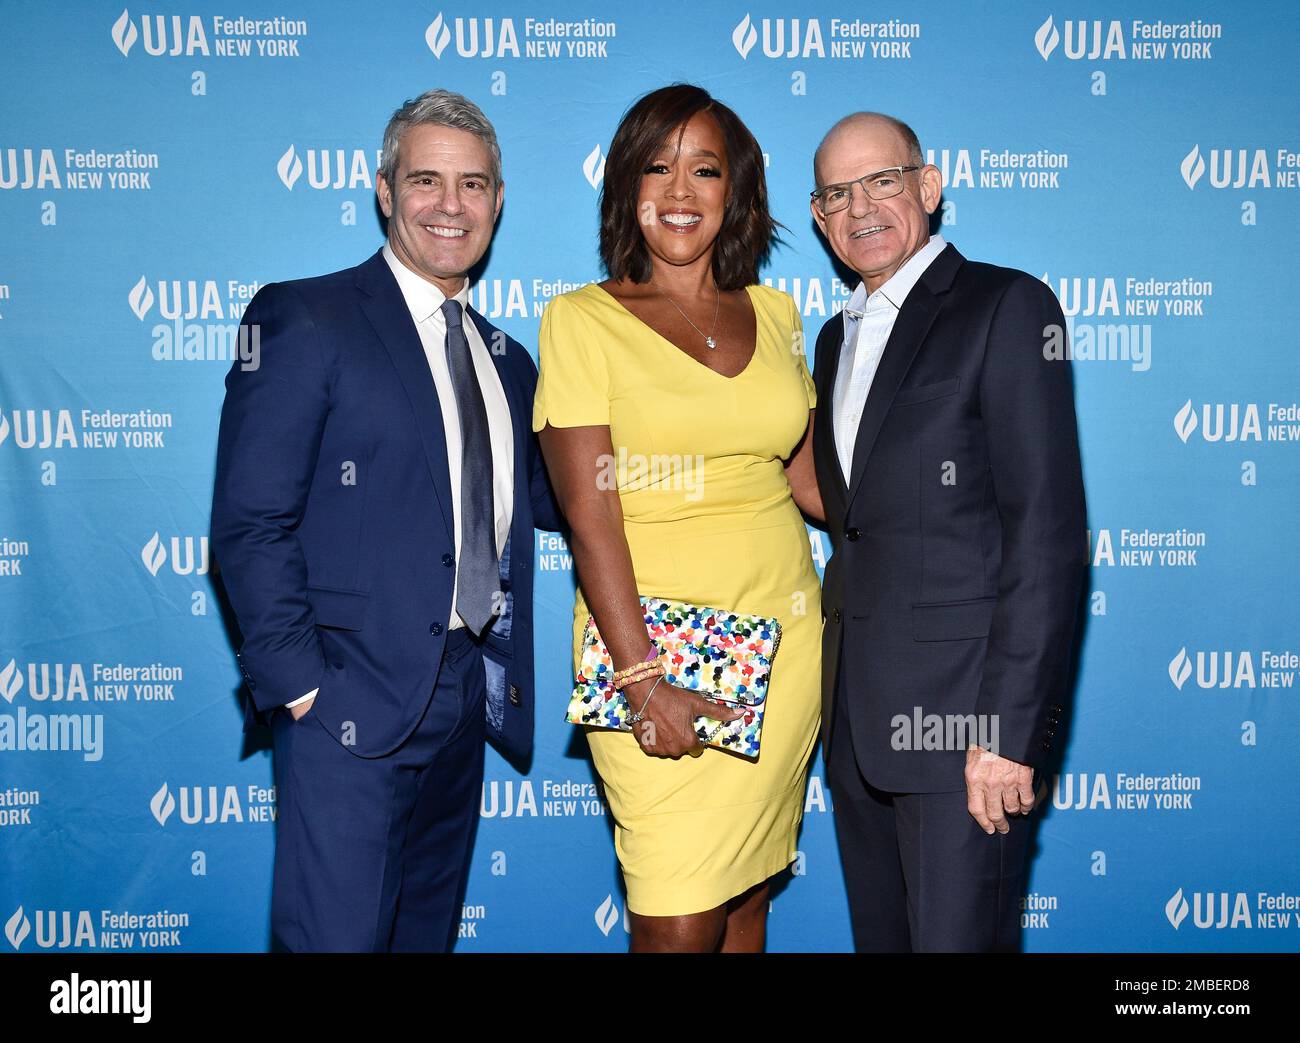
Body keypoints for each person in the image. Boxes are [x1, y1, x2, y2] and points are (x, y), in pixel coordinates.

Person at [211, 88, 559, 952]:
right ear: (382, 187)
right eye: (427, 180)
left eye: (473, 184)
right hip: (345, 704)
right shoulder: (304, 316)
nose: (451, 205)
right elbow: (249, 522)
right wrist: (304, 691)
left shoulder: (509, 359)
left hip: (464, 701)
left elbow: (551, 503)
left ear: (500, 199)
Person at [534, 84, 823, 953]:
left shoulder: (775, 315)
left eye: (705, 169)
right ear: (627, 186)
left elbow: (815, 486)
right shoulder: (582, 320)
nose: (680, 190)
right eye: (657, 167)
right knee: (678, 912)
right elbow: (591, 518)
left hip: (786, 644)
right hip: (660, 651)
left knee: (745, 900)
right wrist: (641, 679)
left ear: (737, 190)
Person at [807, 111, 1087, 952]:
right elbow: (861, 517)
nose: (861, 208)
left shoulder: (1007, 305)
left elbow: (1047, 535)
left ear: (928, 187)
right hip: (857, 726)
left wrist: (1005, 736)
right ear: (819, 218)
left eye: (883, 181)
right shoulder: (832, 338)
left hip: (965, 737)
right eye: (837, 194)